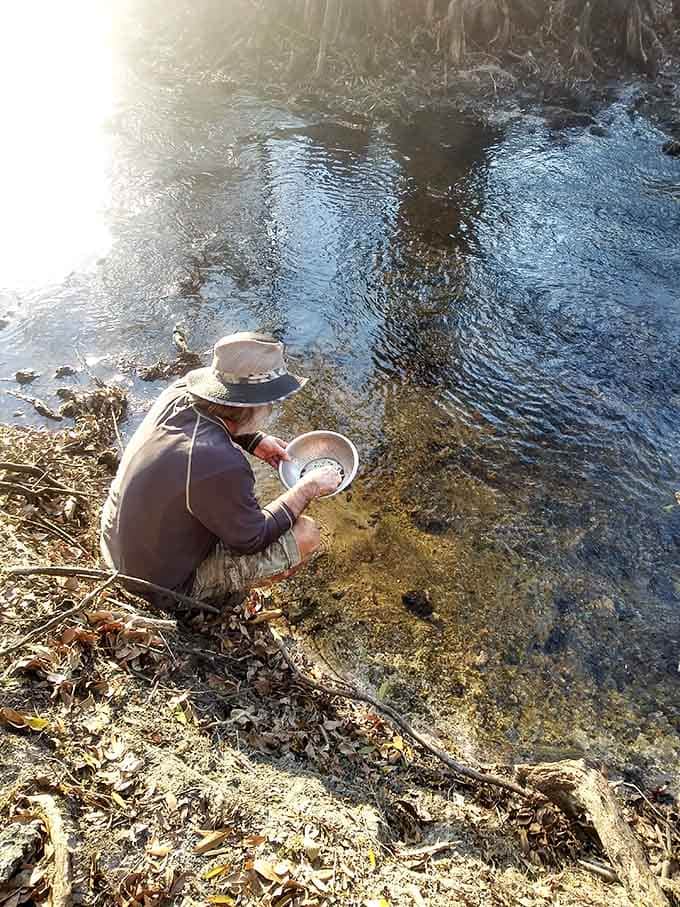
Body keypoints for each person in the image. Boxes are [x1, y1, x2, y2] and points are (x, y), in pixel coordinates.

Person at [100, 331, 340, 605]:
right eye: (270, 402)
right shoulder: (220, 463)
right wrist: (307, 487)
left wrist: (255, 439)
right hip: (154, 586)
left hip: (116, 546)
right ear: (252, 405)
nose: (272, 407)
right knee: (306, 534)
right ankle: (224, 600)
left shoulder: (179, 393)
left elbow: (218, 417)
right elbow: (253, 538)